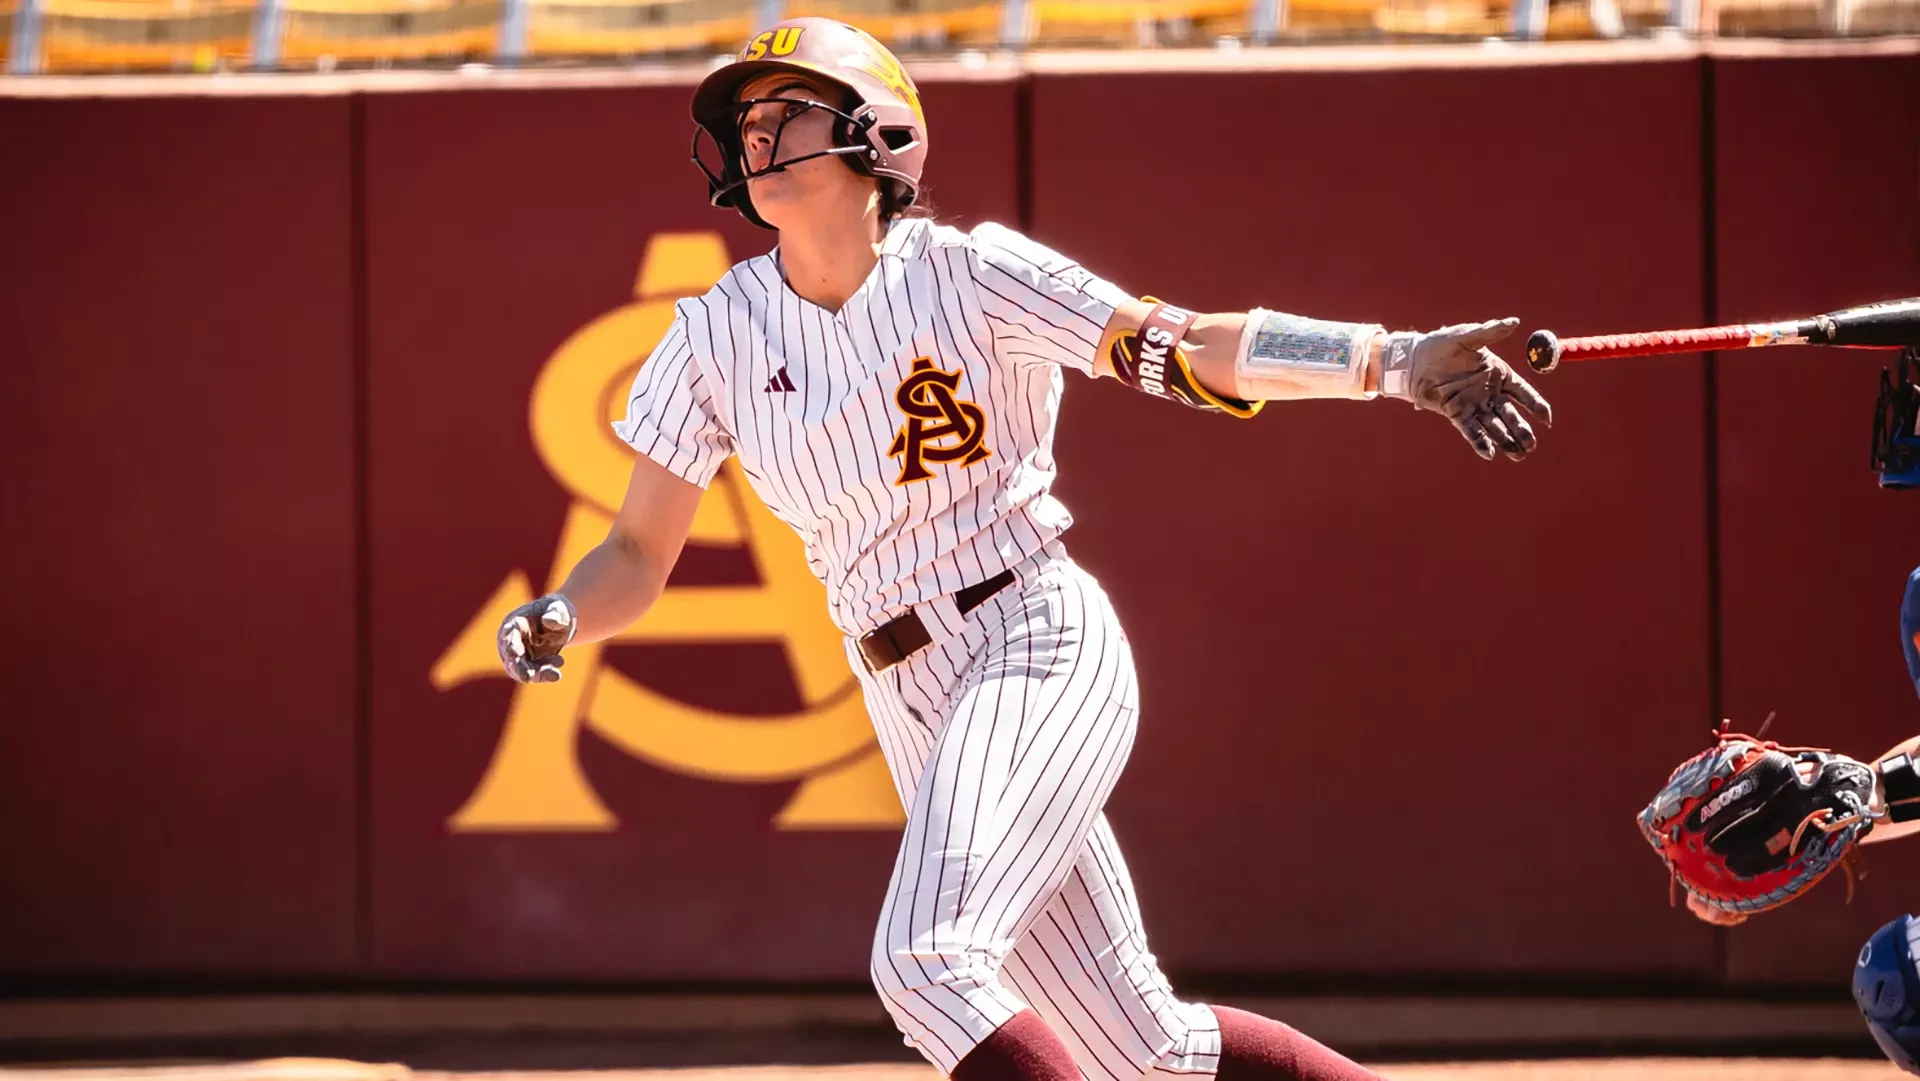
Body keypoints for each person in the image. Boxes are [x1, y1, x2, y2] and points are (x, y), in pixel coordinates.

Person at [495, 18, 1553, 1081]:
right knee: (1149, 1050)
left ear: (877, 133)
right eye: (745, 119)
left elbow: (1185, 344)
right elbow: (636, 547)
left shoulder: (973, 274)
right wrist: (567, 612)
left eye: (786, 110)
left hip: (1030, 636)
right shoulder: (713, 333)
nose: (756, 133)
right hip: (904, 692)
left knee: (926, 962)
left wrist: (1391, 359)